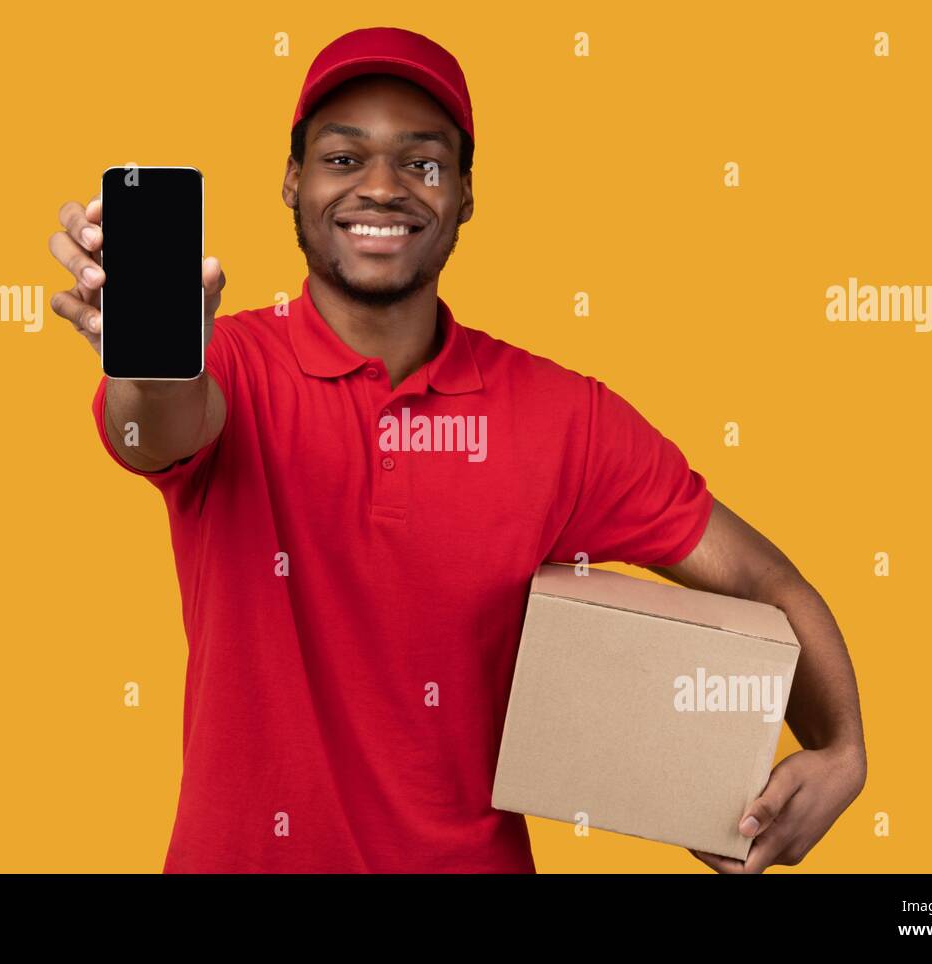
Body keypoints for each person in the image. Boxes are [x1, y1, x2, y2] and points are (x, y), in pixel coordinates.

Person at [47, 26, 866, 873]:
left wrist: (841, 747)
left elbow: (760, 579)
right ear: (292, 181)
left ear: (465, 193)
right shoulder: (231, 366)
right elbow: (158, 426)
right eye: (341, 157)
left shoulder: (562, 417)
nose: (381, 186)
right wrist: (147, 355)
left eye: (422, 162)